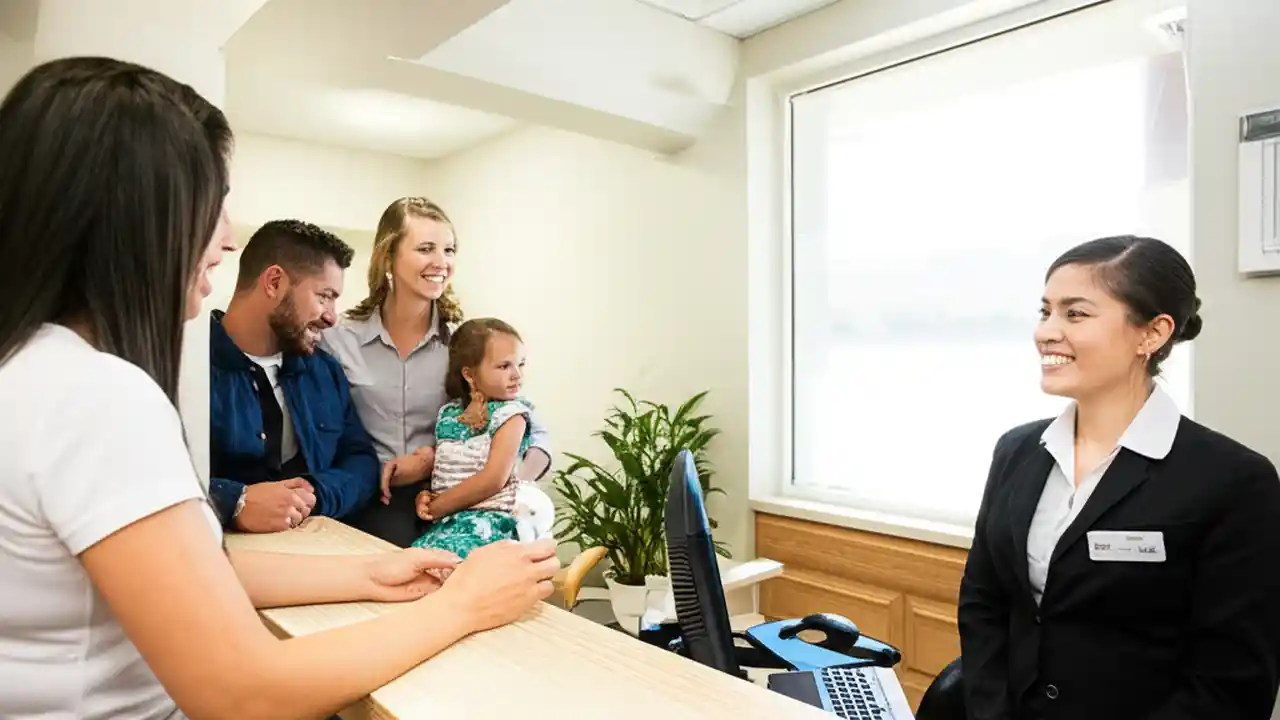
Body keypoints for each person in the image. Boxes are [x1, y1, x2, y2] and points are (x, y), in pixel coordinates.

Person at [0, 57, 558, 720]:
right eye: (214, 204)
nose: (226, 238)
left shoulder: (37, 370)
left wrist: (370, 572)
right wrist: (462, 605)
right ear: (132, 214)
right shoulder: (96, 397)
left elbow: (192, 574)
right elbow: (242, 692)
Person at [958, 235, 1280, 720]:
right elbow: (983, 604)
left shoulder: (1234, 481)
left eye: (1076, 314)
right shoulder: (1017, 452)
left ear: (1151, 334)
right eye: (1045, 311)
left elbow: (1232, 682)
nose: (1047, 331)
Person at [322, 197, 553, 547]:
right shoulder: (338, 338)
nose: (441, 262)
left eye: (449, 250)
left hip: (453, 496)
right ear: (388, 256)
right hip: (370, 496)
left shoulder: (467, 344)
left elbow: (532, 430)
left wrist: (499, 484)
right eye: (426, 249)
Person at [209, 219, 379, 532]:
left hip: (317, 547)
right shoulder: (190, 370)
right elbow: (154, 475)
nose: (332, 316)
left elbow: (362, 462)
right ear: (273, 282)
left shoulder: (325, 372)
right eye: (324, 296)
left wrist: (314, 492)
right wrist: (235, 501)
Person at [412, 318, 538, 558]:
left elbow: (493, 479)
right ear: (469, 374)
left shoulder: (512, 416)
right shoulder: (448, 414)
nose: (516, 375)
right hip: (446, 524)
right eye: (504, 366)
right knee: (414, 560)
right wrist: (425, 498)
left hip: (487, 524)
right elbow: (444, 471)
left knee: (447, 565)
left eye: (520, 364)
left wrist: (437, 506)